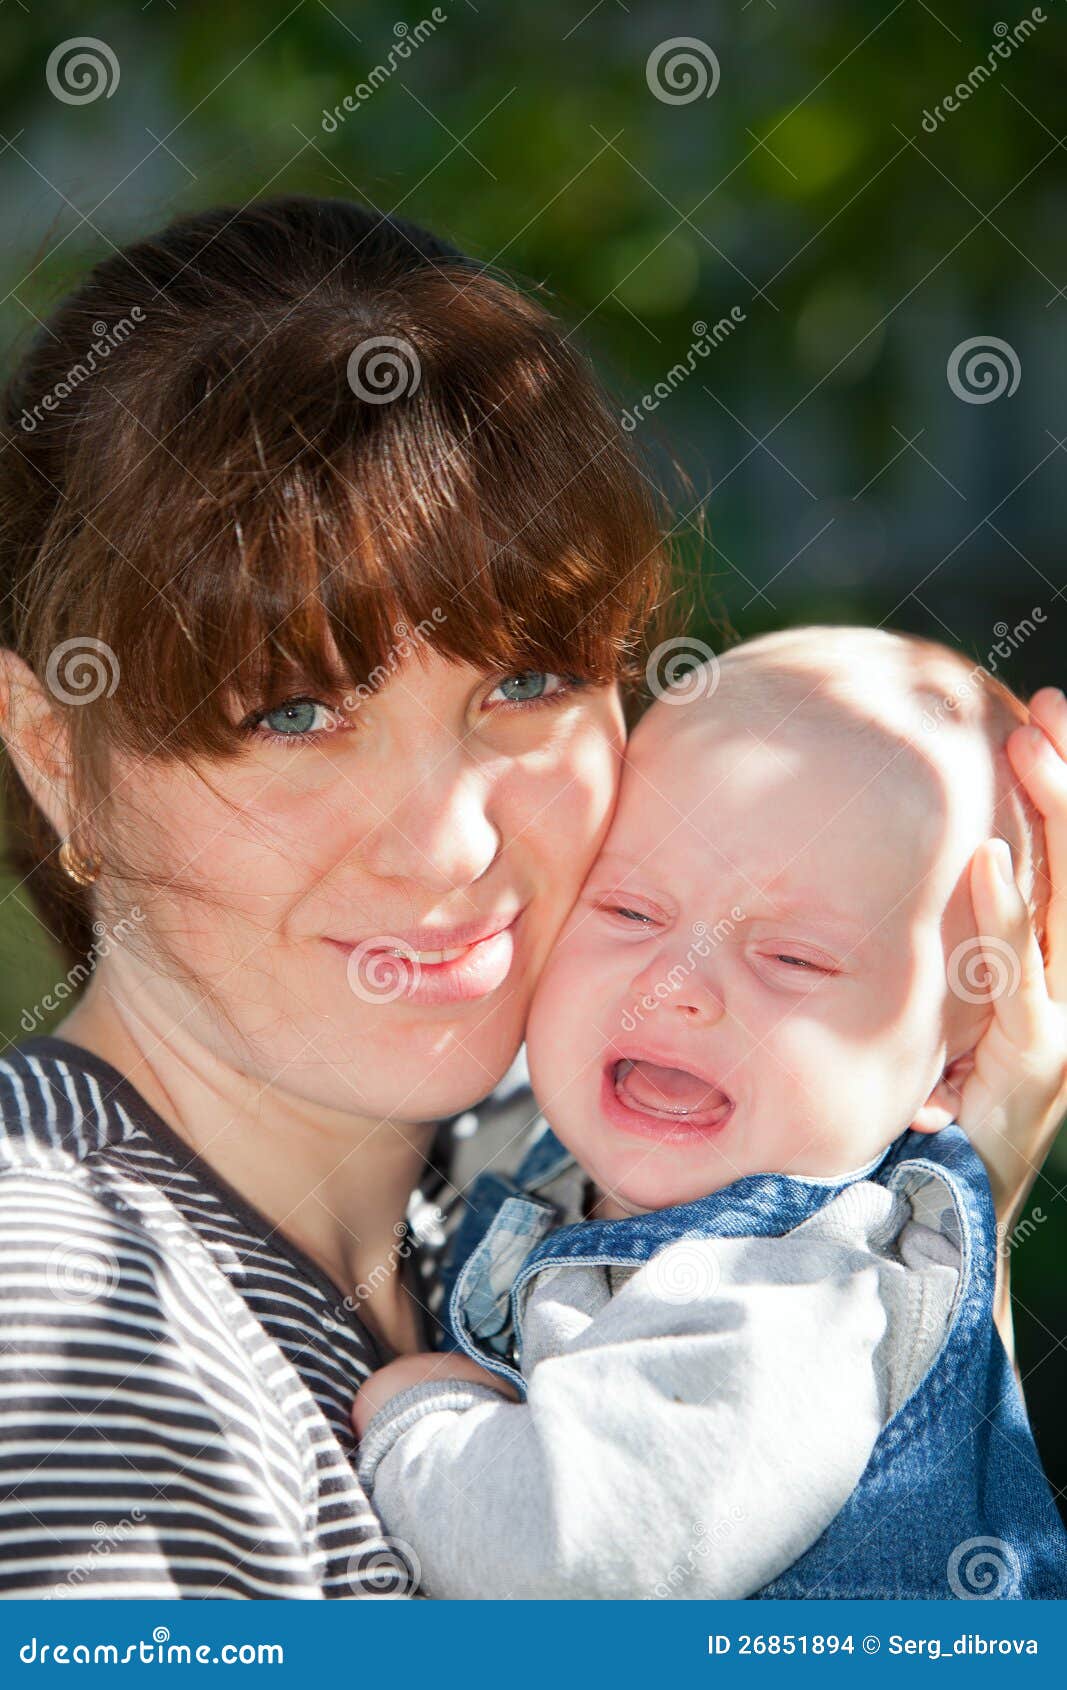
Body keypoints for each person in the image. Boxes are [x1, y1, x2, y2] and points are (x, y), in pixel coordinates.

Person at [0, 196, 1064, 1599]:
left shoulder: (551, 1165)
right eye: (294, 712)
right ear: (57, 755)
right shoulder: (62, 1304)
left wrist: (932, 1211)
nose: (449, 845)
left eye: (527, 680)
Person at [352, 628, 1067, 1600]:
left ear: (952, 1074)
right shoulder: (548, 1140)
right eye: (629, 911)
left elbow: (577, 1569)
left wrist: (423, 1420)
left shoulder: (792, 1303)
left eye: (793, 959)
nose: (675, 984)